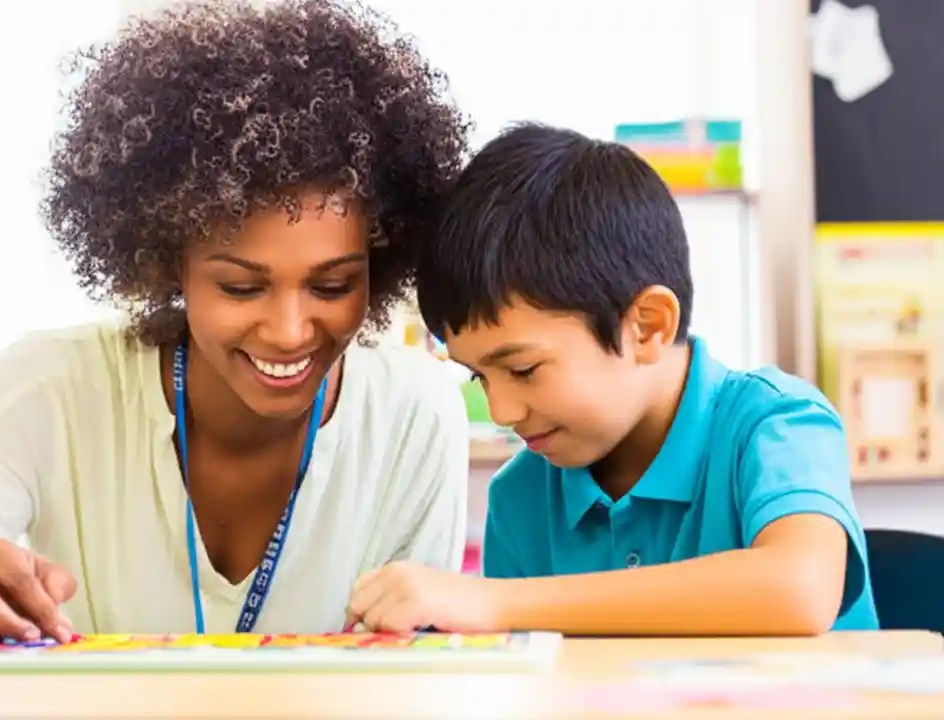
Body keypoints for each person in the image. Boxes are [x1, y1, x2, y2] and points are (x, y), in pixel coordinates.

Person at [0, 0, 472, 643]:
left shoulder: (413, 412)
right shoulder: (50, 389)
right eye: (240, 286)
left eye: (333, 285)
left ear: (380, 261)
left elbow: (415, 673)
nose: (289, 329)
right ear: (168, 263)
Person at [344, 122, 879, 636]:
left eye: (523, 369)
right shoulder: (522, 497)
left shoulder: (777, 423)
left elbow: (799, 591)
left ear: (646, 326)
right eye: (478, 377)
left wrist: (494, 602)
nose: (503, 411)